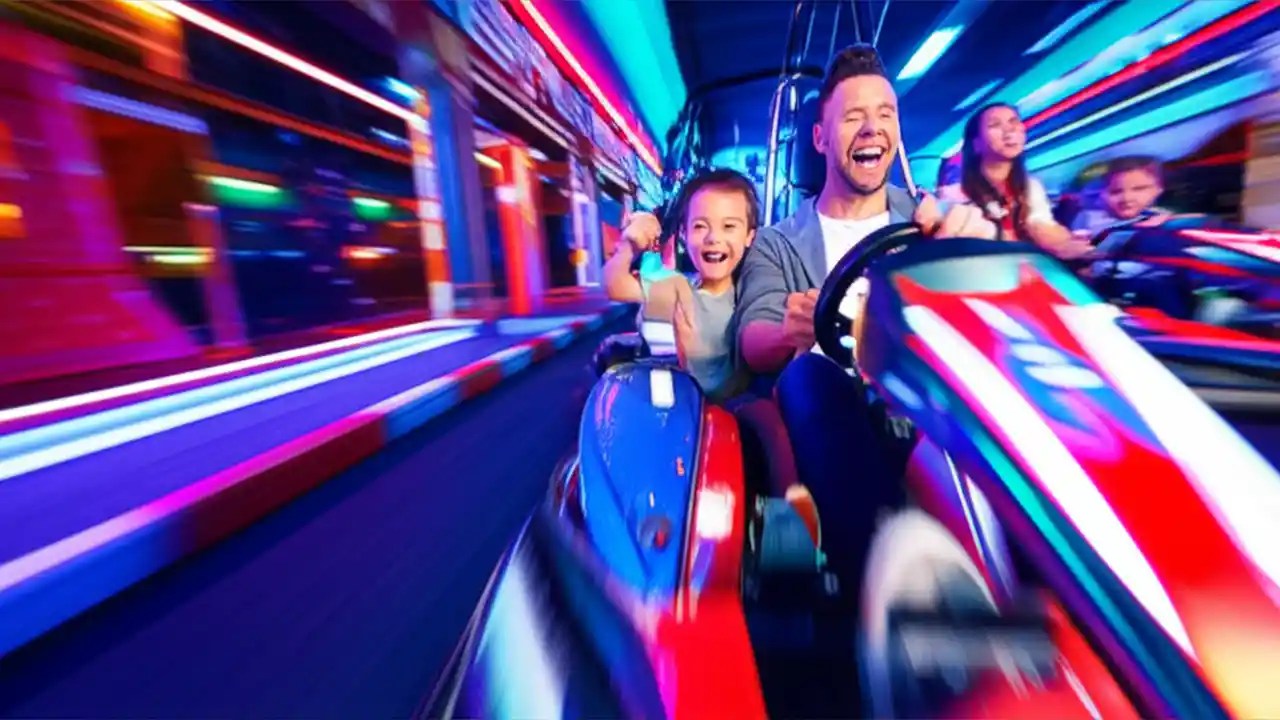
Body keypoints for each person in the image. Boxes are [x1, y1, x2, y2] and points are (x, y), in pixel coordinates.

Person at [732, 44, 988, 598]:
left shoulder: (930, 222)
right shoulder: (777, 244)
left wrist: (972, 248)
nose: (872, 129)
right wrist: (788, 330)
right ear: (822, 139)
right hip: (836, 405)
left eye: (885, 115)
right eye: (853, 117)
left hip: (929, 403)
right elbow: (753, 341)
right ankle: (891, 574)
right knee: (808, 375)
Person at [938, 102, 1091, 259]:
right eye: (995, 125)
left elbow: (1040, 224)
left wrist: (1069, 243)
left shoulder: (1031, 187)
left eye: (1013, 121)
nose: (1009, 130)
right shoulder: (955, 195)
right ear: (976, 144)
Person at [1071, 155, 1168, 234]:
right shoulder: (1089, 218)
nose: (1127, 198)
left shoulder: (1155, 212)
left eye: (1139, 189)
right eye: (1115, 192)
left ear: (1158, 190)